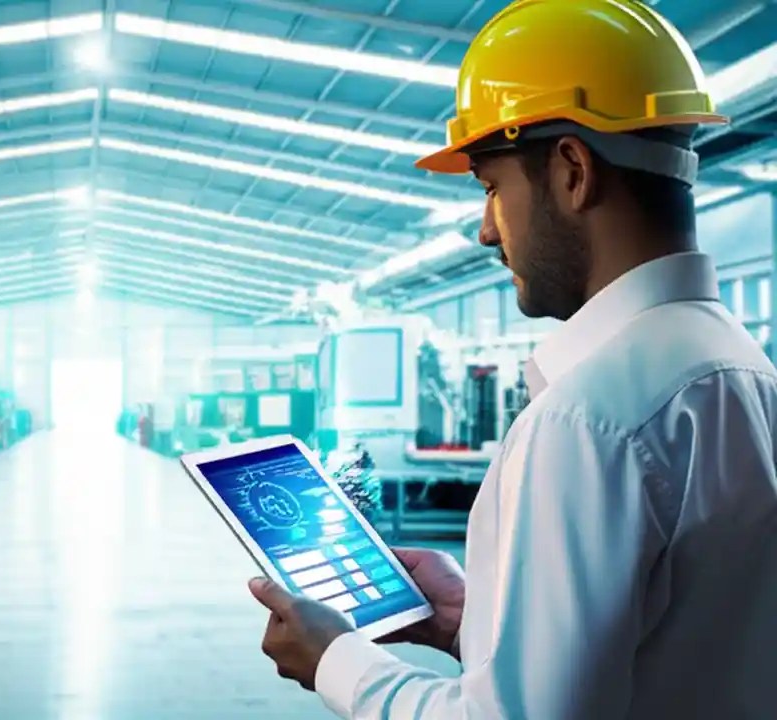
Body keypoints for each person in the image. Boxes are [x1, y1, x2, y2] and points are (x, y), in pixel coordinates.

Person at [247, 1, 777, 717]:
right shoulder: (745, 374)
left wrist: (336, 659)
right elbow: (674, 653)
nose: (484, 229)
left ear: (571, 171)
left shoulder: (588, 421)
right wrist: (474, 618)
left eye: (492, 187)